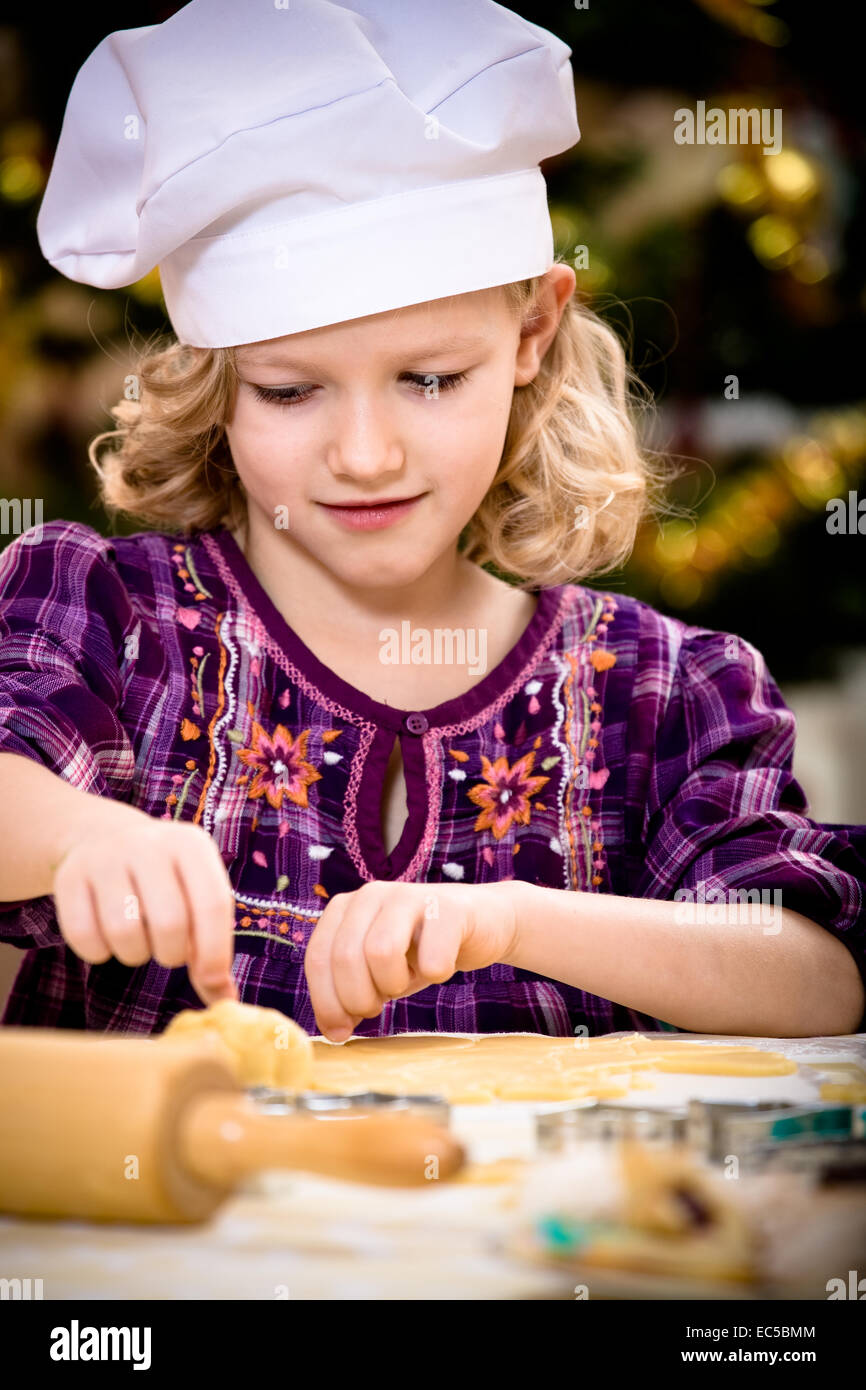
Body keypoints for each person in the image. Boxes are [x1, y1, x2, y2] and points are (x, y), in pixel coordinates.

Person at [1, 0, 864, 1042]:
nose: (365, 455)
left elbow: (815, 982)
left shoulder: (663, 695)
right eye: (288, 391)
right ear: (214, 377)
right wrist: (75, 835)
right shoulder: (112, 621)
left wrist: (510, 920)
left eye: (428, 377)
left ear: (534, 329)